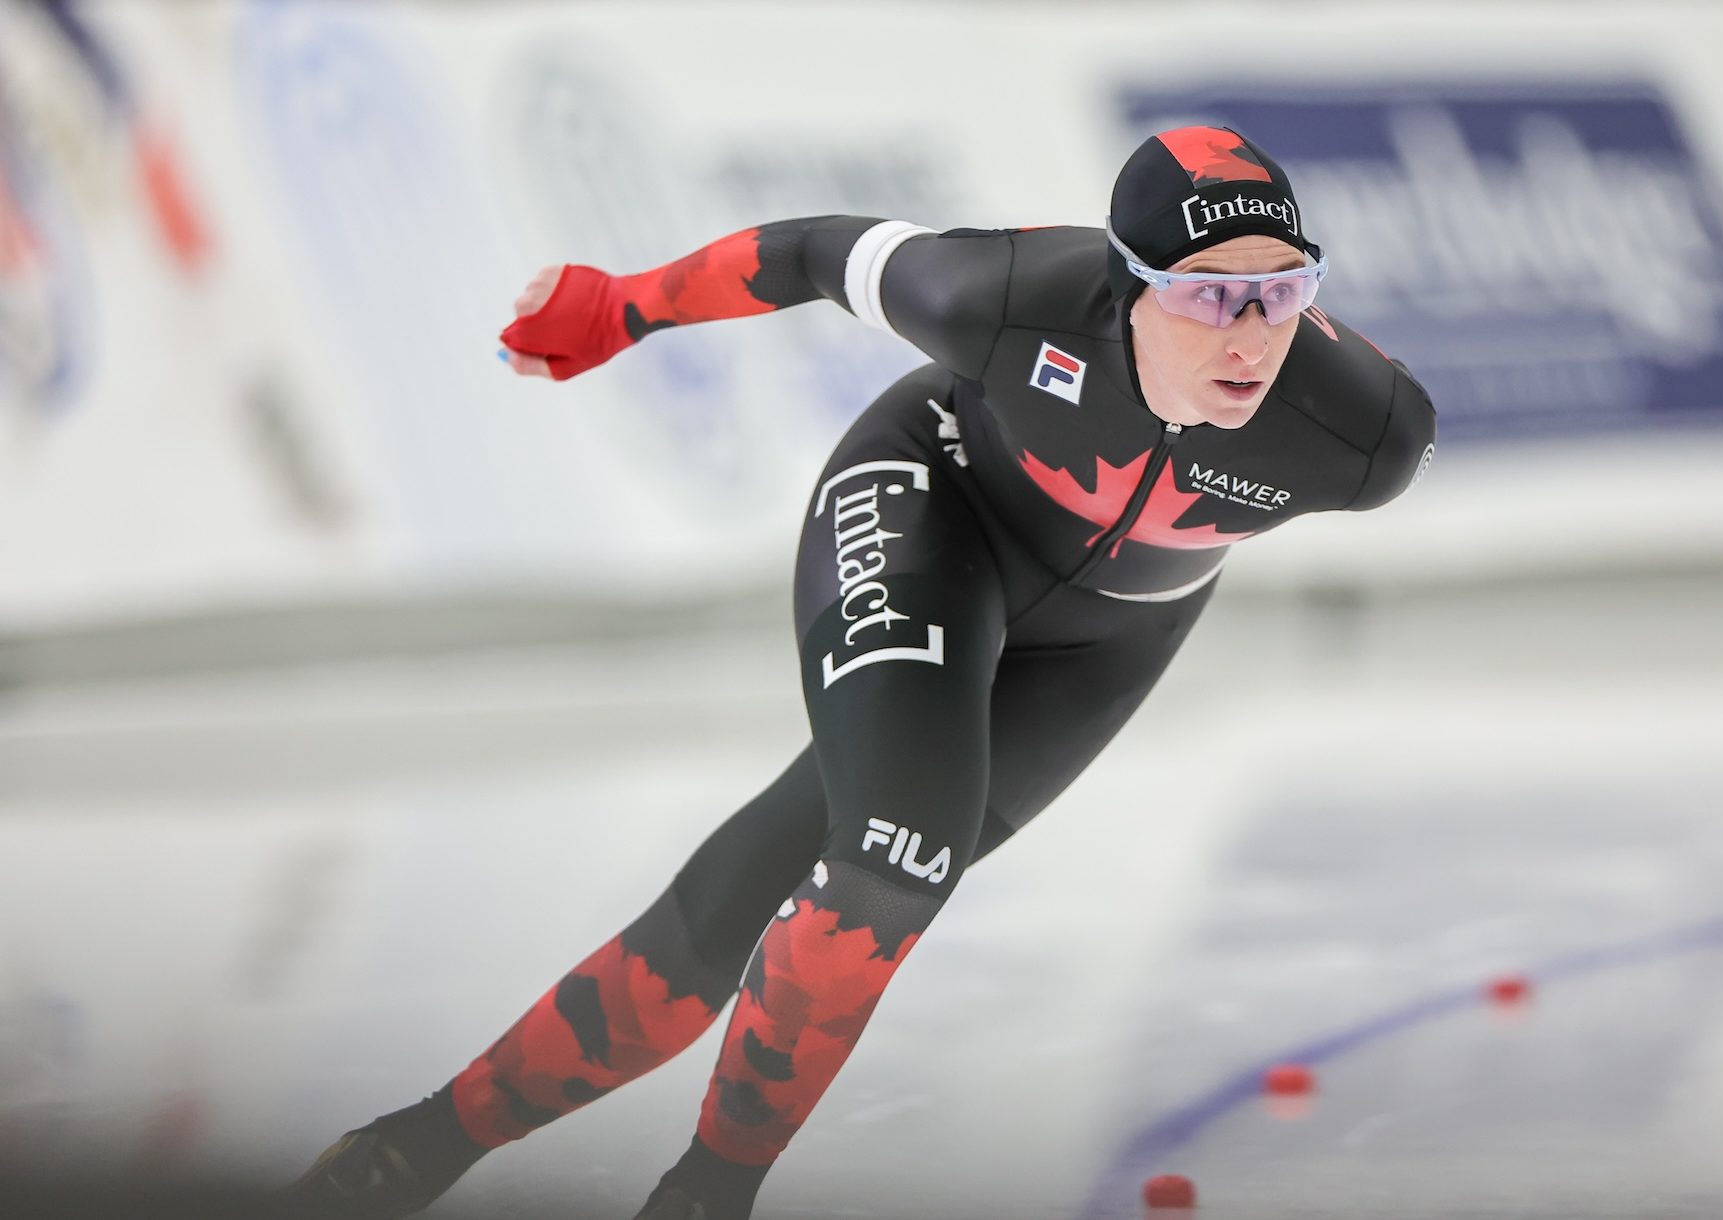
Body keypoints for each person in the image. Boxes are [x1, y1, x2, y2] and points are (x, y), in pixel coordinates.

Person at [285, 126, 1435, 1220]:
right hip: (933, 507)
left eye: (1283, 290)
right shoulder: (1004, 294)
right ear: (1127, 282)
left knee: (832, 883)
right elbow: (812, 254)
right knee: (890, 859)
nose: (1250, 336)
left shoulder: (1363, 434)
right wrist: (622, 309)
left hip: (1108, 640)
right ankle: (569, 1172)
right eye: (1207, 294)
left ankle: (497, 1156)